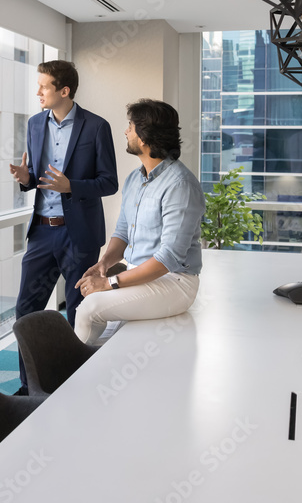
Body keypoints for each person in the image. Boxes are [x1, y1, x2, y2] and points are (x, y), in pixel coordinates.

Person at [8, 60, 118, 395]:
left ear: (64, 90)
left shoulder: (96, 127)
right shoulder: (35, 124)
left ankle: (73, 386)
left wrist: (73, 186)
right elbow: (37, 178)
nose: (38, 92)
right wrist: (26, 181)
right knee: (26, 309)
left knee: (78, 312)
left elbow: (109, 182)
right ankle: (30, 388)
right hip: (41, 231)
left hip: (78, 235)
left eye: (44, 86)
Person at [74, 99, 205, 345]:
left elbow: (169, 258)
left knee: (89, 309)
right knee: (104, 324)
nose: (126, 131)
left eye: (131, 127)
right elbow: (123, 232)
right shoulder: (135, 178)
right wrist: (103, 264)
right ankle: (88, 368)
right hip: (136, 272)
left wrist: (109, 282)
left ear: (144, 137)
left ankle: (67, 374)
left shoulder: (180, 185)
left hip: (175, 282)